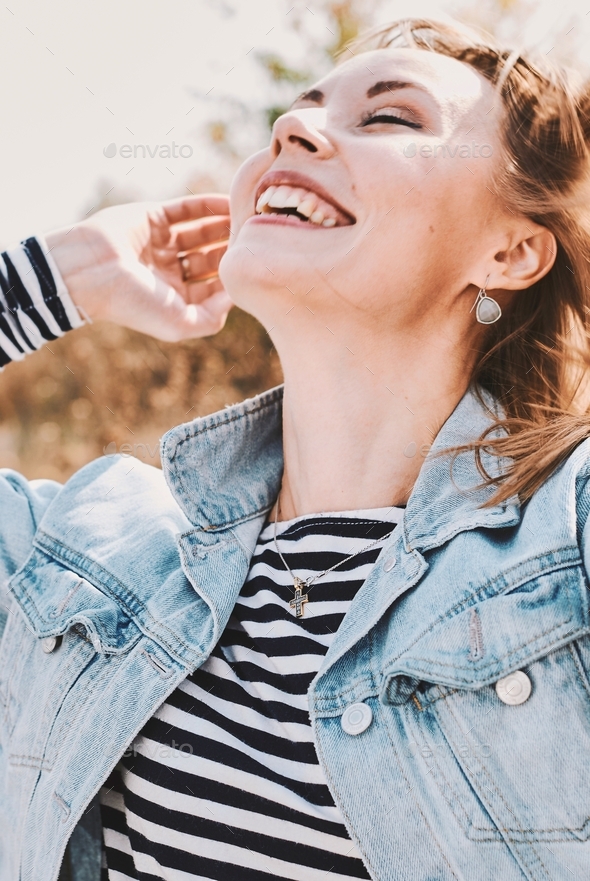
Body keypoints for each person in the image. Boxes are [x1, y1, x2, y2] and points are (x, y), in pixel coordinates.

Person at [2, 16, 590, 881]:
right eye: (299, 110)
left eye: (390, 118)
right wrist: (58, 277)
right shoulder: (90, 555)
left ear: (510, 250)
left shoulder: (562, 546)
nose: (293, 127)